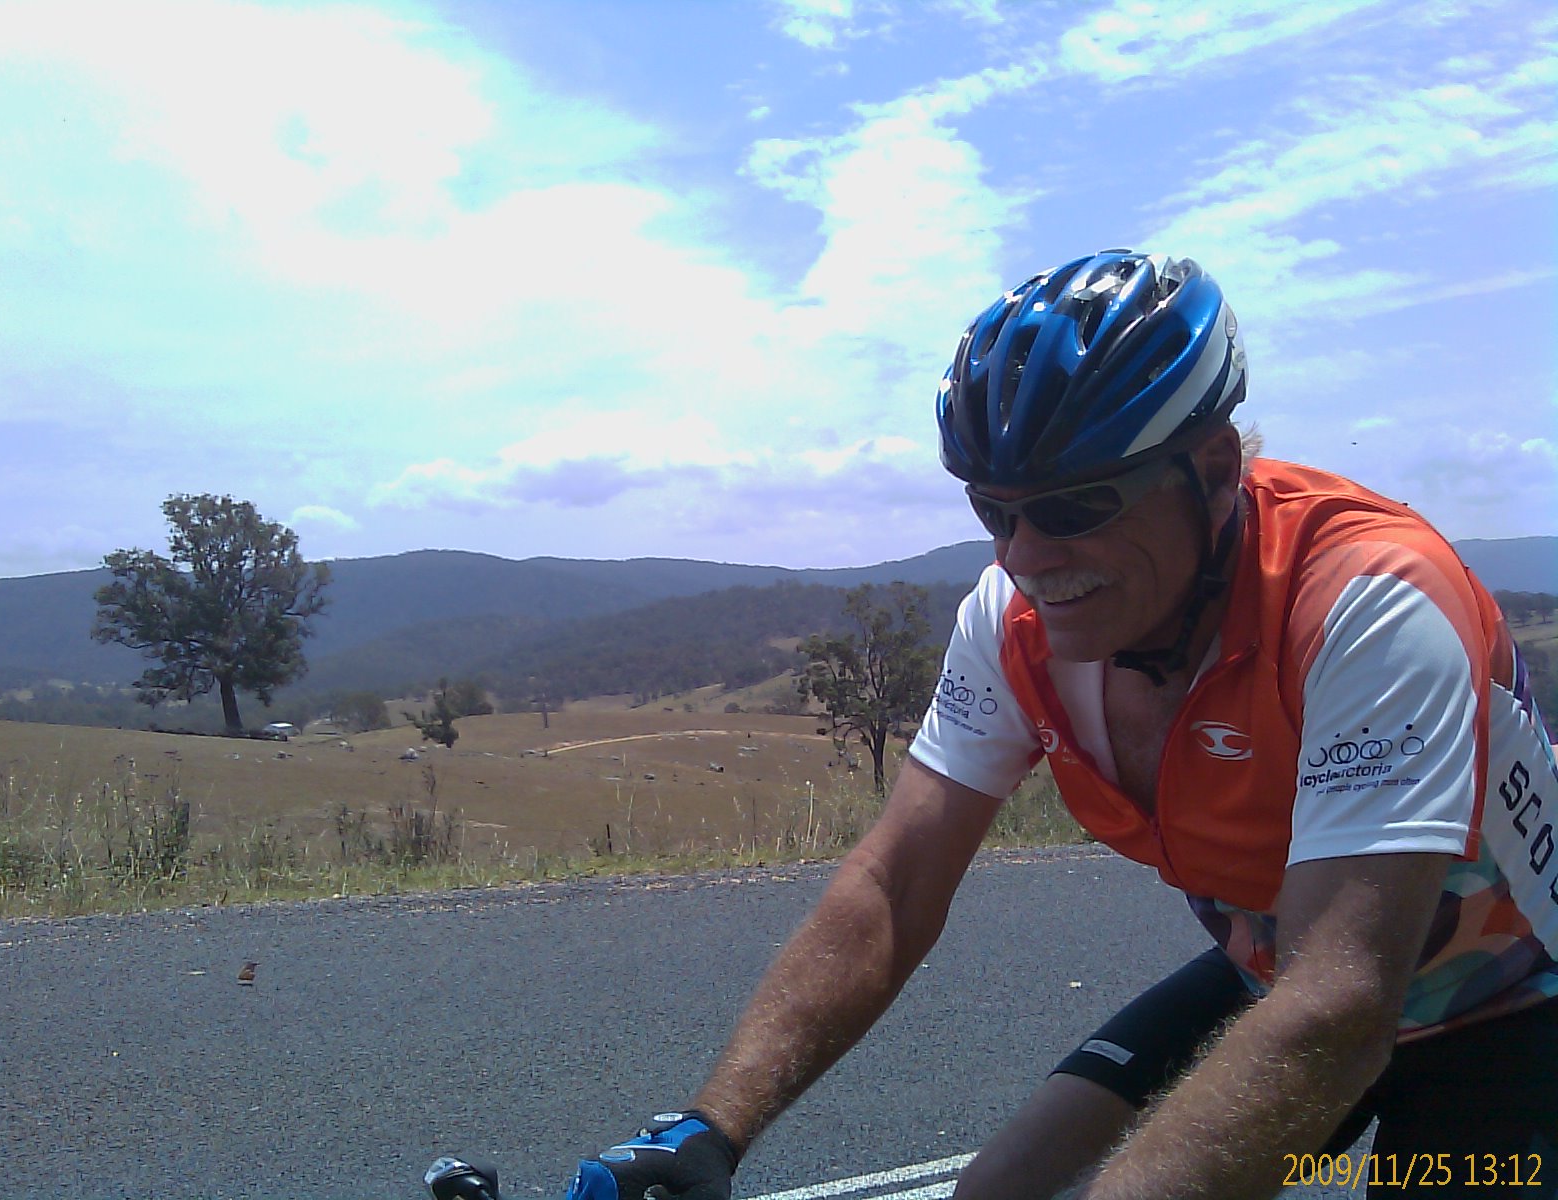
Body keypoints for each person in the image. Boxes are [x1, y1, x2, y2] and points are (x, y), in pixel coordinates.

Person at [565, 251, 1558, 1199]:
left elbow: (1337, 1009)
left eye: (1078, 506)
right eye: (996, 510)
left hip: (1508, 1000)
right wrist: (710, 1127)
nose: (1028, 555)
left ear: (1213, 469)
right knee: (995, 1191)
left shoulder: (1366, 602)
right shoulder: (1011, 624)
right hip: (1277, 966)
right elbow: (894, 883)